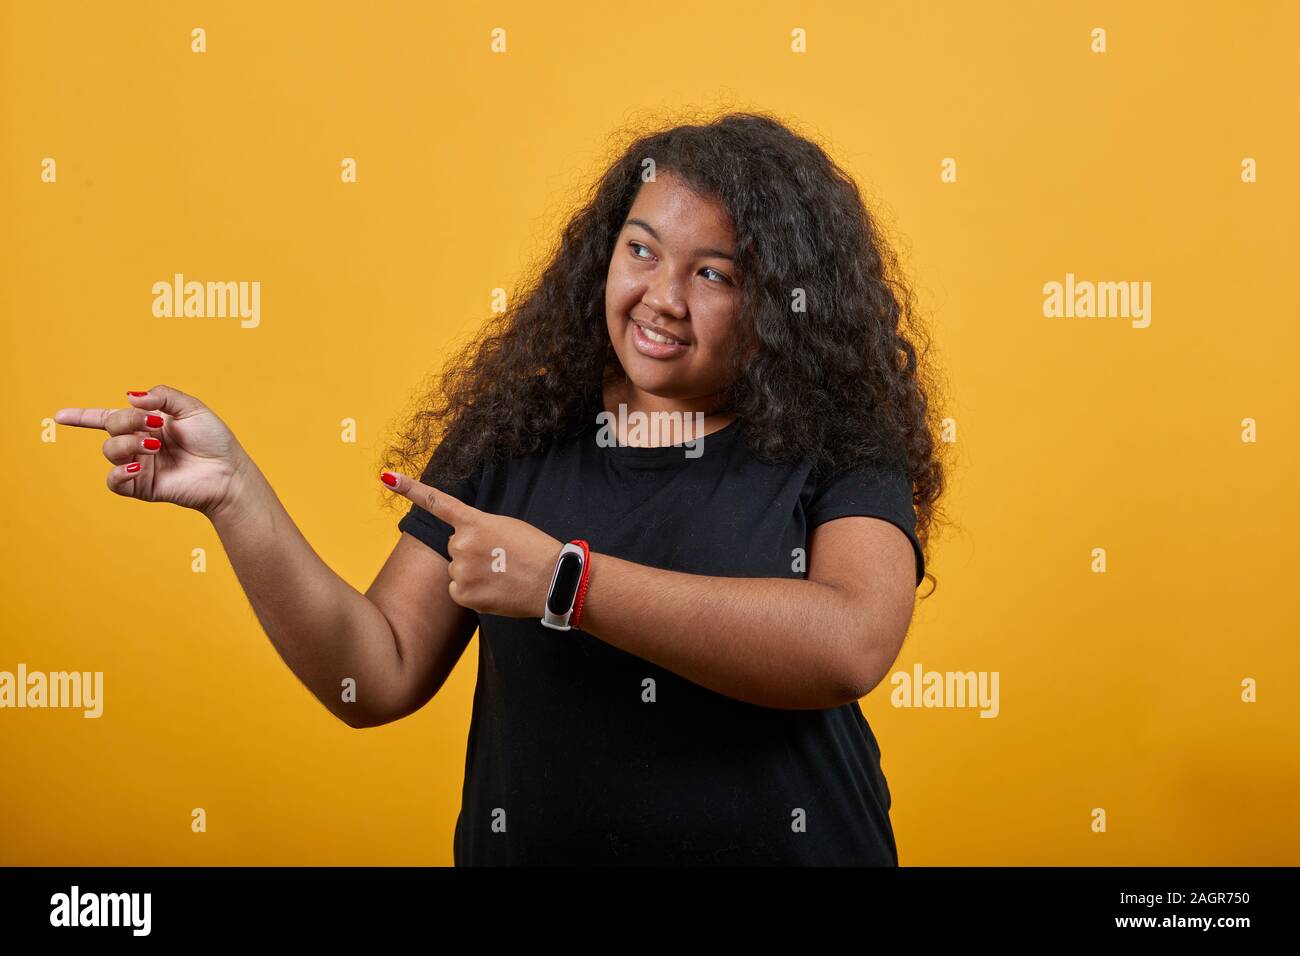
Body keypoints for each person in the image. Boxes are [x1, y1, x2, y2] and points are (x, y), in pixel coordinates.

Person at [54, 111, 947, 866]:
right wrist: (234, 496)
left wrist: (568, 582)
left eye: (713, 273)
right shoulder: (519, 429)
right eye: (642, 250)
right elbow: (378, 675)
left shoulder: (838, 438)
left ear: (782, 299)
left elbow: (850, 644)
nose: (661, 296)